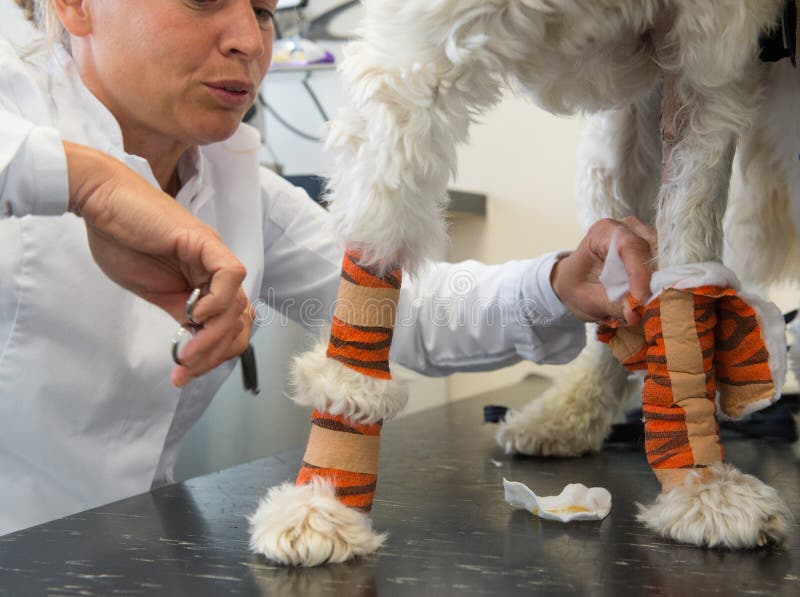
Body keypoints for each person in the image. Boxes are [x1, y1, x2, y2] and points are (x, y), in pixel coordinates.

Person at [0, 0, 655, 537]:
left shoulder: (239, 188)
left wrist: (557, 285)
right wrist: (89, 183)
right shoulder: (18, 105)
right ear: (76, 7)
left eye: (262, 11)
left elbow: (398, 311)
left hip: (134, 545)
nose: (247, 41)